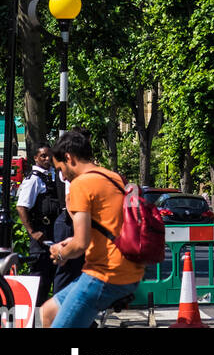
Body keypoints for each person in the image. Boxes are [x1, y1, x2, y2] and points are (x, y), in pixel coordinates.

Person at [40, 128, 144, 329]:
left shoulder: (81, 184)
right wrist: (71, 243)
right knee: (49, 312)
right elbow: (109, 226)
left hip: (105, 274)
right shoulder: (113, 177)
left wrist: (60, 253)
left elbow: (80, 244)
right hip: (128, 270)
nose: (62, 177)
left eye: (60, 169)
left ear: (69, 157)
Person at [16, 146, 61, 305]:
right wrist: (32, 232)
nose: (47, 159)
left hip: (54, 236)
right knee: (40, 282)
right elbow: (21, 207)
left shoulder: (53, 177)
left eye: (49, 156)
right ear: (35, 158)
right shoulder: (34, 179)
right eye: (43, 156)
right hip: (41, 239)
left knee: (56, 280)